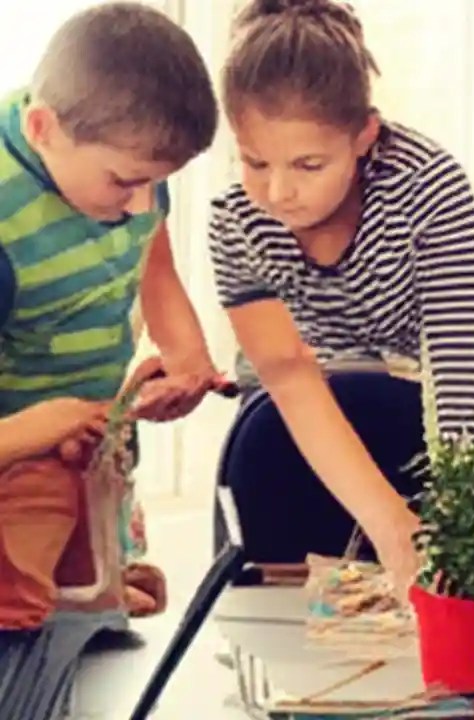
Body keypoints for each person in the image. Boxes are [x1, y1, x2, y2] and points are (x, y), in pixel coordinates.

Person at [208, 0, 474, 592]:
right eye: (254, 161)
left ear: (365, 136)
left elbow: (455, 376)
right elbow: (287, 375)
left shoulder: (430, 190)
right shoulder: (235, 218)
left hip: (415, 443)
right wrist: (387, 524)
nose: (278, 192)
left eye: (309, 165)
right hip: (285, 451)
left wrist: (461, 531)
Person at [0, 2, 220, 624]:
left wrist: (188, 360)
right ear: (42, 128)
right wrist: (43, 426)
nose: (143, 202)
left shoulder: (126, 167)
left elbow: (154, 266)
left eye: (159, 181)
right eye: (126, 182)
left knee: (101, 610)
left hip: (83, 449)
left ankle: (91, 586)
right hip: (15, 464)